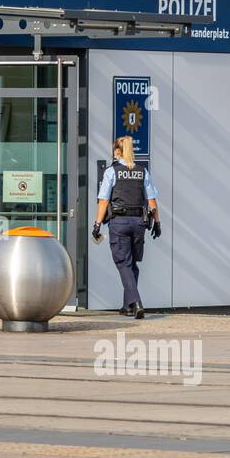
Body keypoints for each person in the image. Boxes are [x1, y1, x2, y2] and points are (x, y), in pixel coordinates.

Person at [92, 135, 161, 320]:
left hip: (120, 223)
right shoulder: (142, 171)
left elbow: (104, 201)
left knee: (123, 263)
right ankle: (127, 305)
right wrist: (158, 222)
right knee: (132, 264)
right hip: (139, 223)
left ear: (117, 151)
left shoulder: (111, 172)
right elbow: (152, 201)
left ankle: (137, 302)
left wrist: (97, 224)